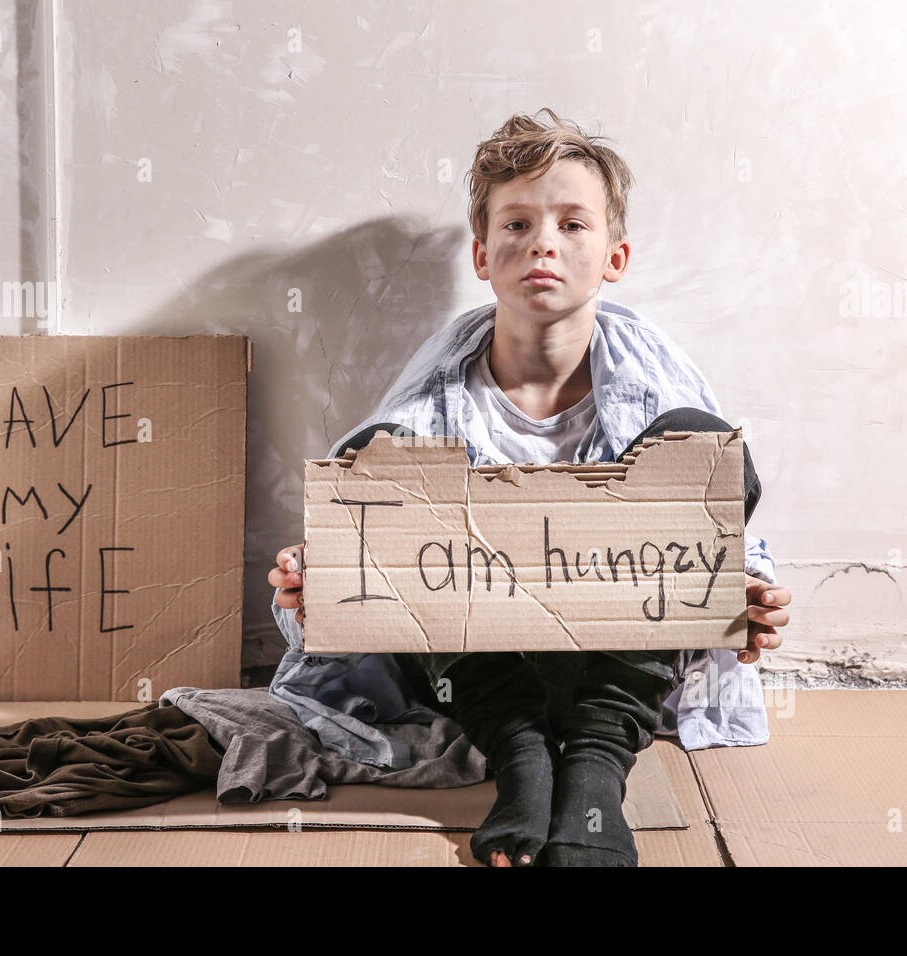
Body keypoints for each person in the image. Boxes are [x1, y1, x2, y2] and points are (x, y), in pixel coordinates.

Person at [268, 109, 792, 867]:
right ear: (482, 256)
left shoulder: (659, 387)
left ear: (615, 258)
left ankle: (596, 763)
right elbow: (350, 574)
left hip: (614, 671)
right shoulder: (430, 408)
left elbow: (723, 548)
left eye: (572, 224)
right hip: (478, 677)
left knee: (704, 443)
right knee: (391, 463)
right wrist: (316, 584)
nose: (543, 241)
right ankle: (522, 758)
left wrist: (743, 593)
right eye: (516, 225)